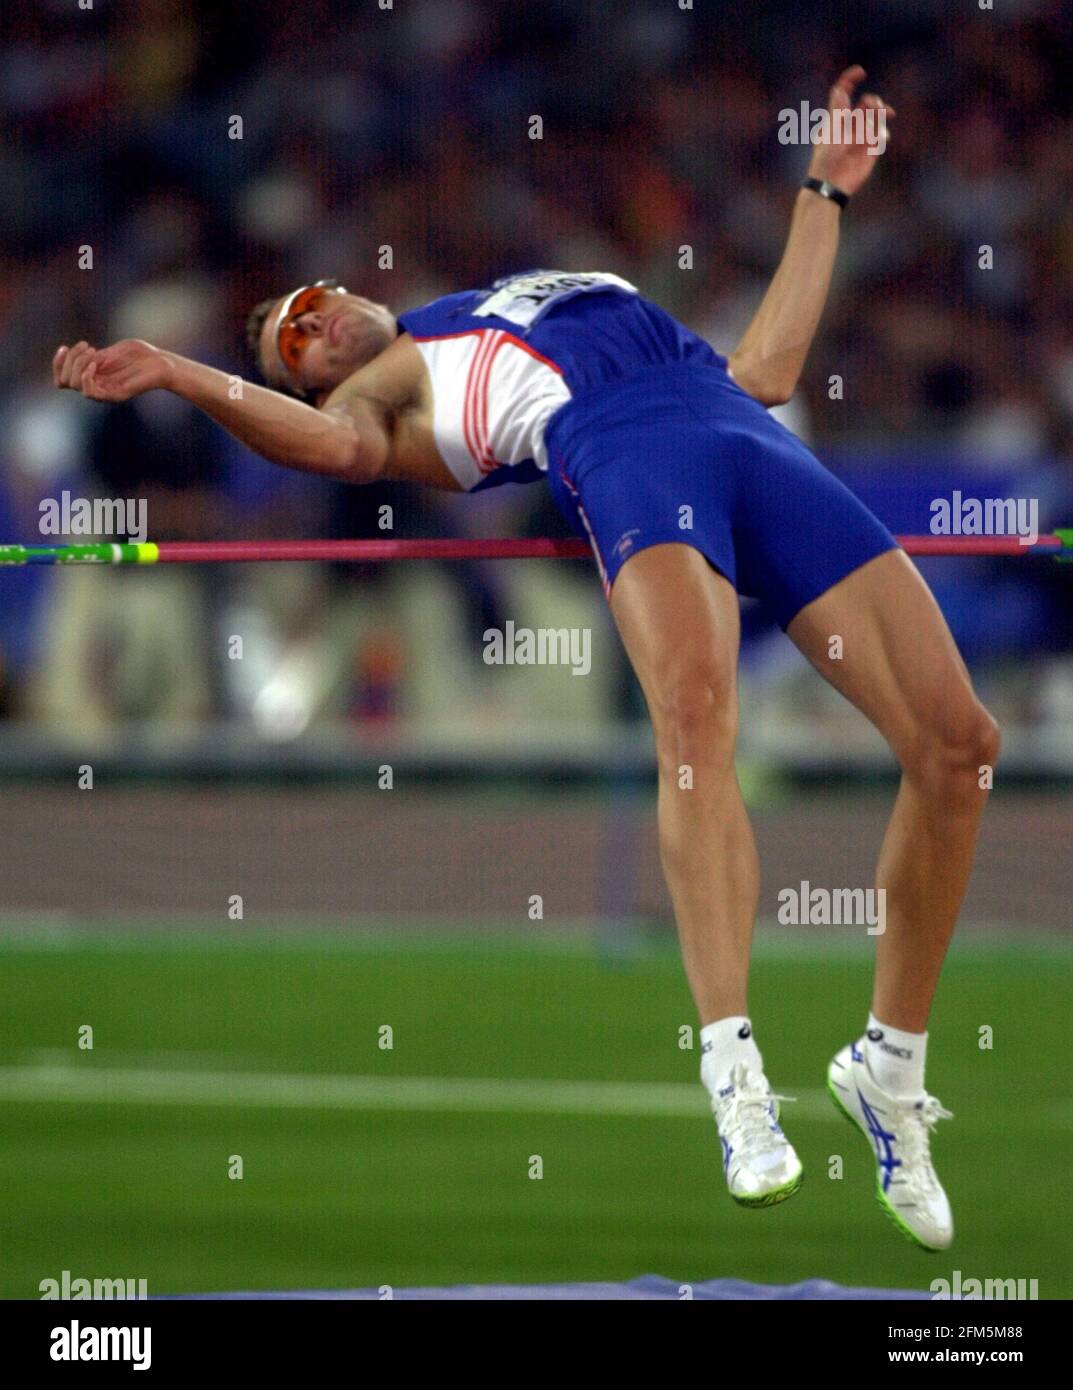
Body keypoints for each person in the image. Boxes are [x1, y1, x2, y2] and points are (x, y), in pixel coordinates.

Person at [53, 68, 998, 1250]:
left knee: (957, 746)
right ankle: (735, 1080)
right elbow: (333, 447)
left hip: (734, 424)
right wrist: (190, 374)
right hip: (623, 453)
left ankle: (887, 1074)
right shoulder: (388, 392)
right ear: (314, 376)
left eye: (312, 298)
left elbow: (759, 373)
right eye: (294, 340)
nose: (317, 317)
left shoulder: (484, 299)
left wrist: (822, 191)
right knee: (696, 717)